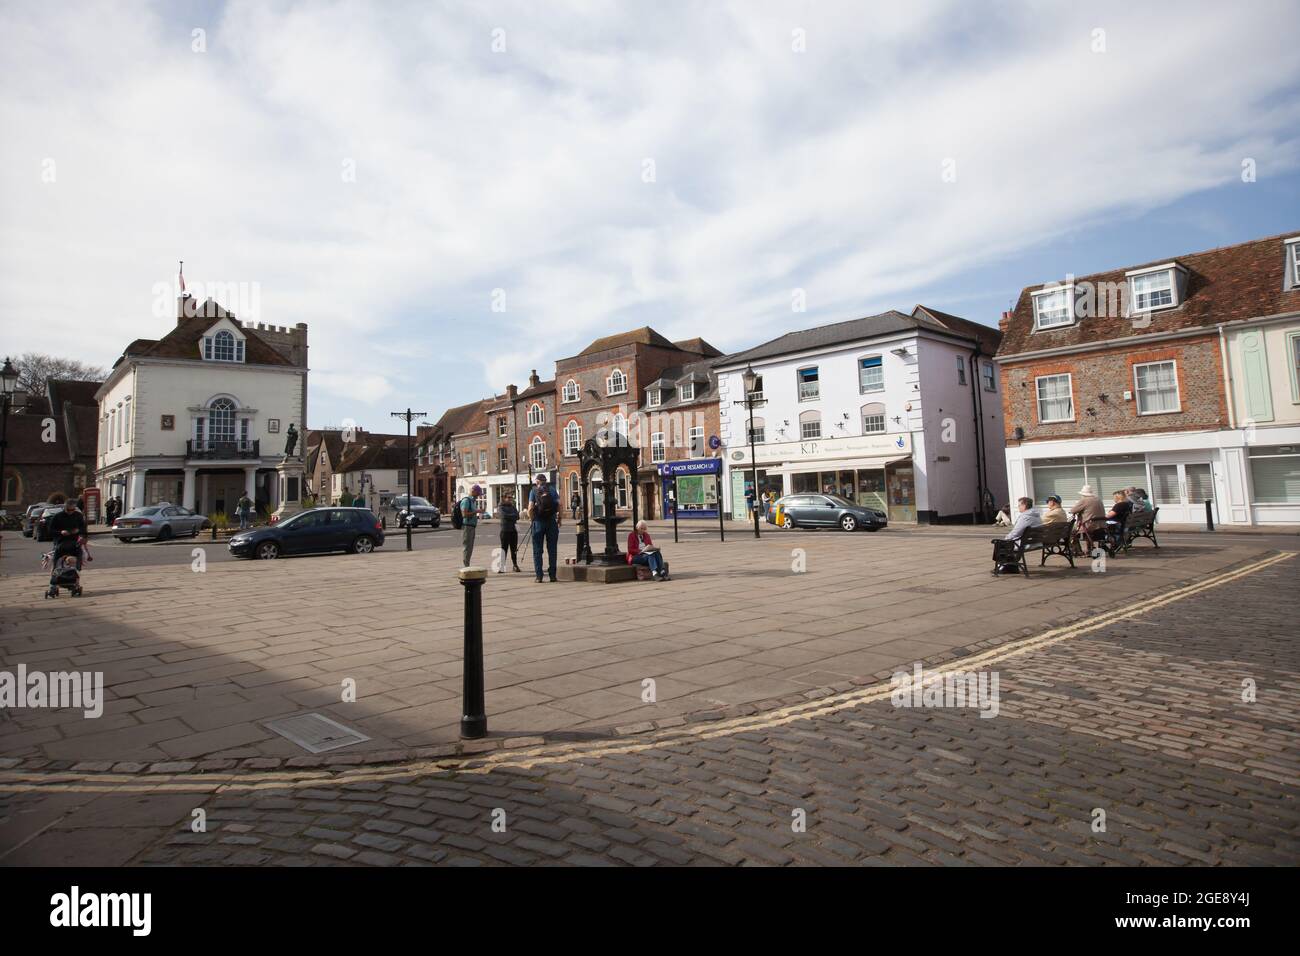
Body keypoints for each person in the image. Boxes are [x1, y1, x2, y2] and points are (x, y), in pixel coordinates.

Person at [528, 473, 561, 582]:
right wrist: (559, 519)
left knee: (537, 550)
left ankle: (539, 576)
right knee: (552, 550)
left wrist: (532, 519)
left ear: (537, 481)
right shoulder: (552, 490)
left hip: (538, 522)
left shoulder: (533, 491)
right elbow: (559, 505)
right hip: (551, 522)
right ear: (545, 481)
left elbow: (530, 508)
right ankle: (552, 575)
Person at [47, 499, 87, 575]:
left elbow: (83, 529)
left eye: (73, 509)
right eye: (68, 510)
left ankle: (78, 569)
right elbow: (50, 530)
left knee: (79, 552)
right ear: (64, 507)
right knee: (57, 552)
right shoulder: (57, 516)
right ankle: (54, 569)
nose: (70, 512)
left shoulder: (78, 515)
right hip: (61, 540)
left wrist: (80, 533)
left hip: (74, 540)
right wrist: (60, 532)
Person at [1069, 484, 1107, 555]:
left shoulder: (1084, 500)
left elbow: (1072, 510)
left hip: (1089, 525)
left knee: (1072, 532)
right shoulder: (1098, 499)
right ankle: (1089, 549)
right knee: (1086, 530)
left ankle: (1078, 551)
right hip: (1101, 524)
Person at [497, 492, 521, 573]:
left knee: (514, 549)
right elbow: (504, 516)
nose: (510, 499)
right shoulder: (501, 507)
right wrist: (512, 516)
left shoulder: (512, 507)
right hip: (505, 530)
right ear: (504, 498)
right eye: (509, 497)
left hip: (513, 530)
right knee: (504, 549)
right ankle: (502, 566)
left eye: (511, 497)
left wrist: (511, 516)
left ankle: (515, 565)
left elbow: (517, 516)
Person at [459, 484, 481, 567]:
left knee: (470, 547)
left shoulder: (472, 501)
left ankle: (467, 565)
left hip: (472, 526)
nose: (478, 495)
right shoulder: (466, 501)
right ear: (473, 491)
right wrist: (476, 512)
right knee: (467, 547)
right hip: (467, 526)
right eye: (478, 493)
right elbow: (464, 514)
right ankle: (466, 566)